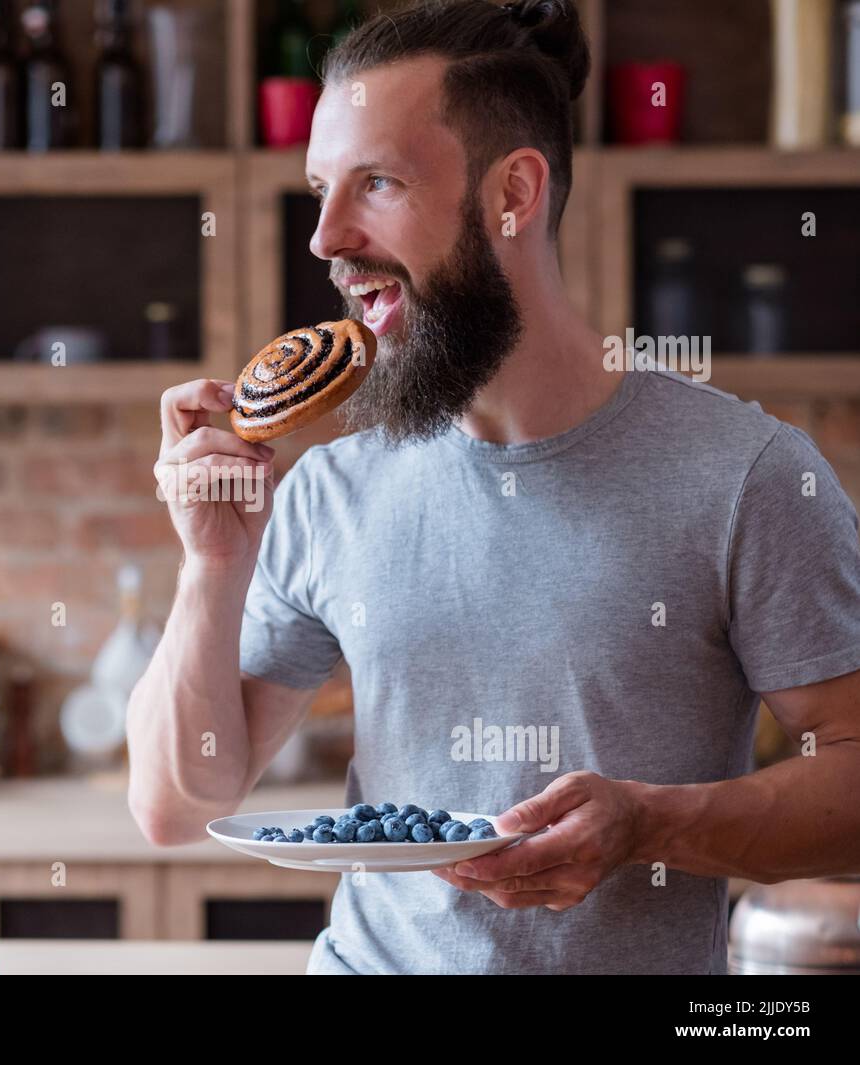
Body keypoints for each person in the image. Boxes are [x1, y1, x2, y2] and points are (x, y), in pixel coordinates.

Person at [126, 0, 860, 974]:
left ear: (513, 191)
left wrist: (646, 824)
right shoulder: (330, 487)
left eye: (375, 184)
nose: (325, 238)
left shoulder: (744, 475)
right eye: (318, 189)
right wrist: (209, 565)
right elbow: (180, 804)